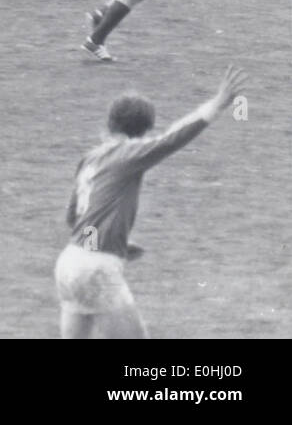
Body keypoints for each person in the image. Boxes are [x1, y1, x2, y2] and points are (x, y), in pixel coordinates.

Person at [56, 64, 246, 338]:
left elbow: (75, 219)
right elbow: (172, 139)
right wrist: (216, 105)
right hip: (97, 268)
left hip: (70, 263)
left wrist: (112, 239)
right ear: (143, 132)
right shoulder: (128, 154)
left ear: (110, 122)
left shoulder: (91, 158)